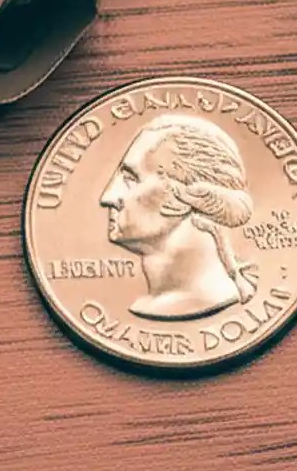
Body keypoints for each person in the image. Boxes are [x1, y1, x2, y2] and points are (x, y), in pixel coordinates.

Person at [99, 114, 258, 320]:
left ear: (186, 195)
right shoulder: (147, 305)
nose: (108, 197)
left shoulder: (206, 299)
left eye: (131, 178)